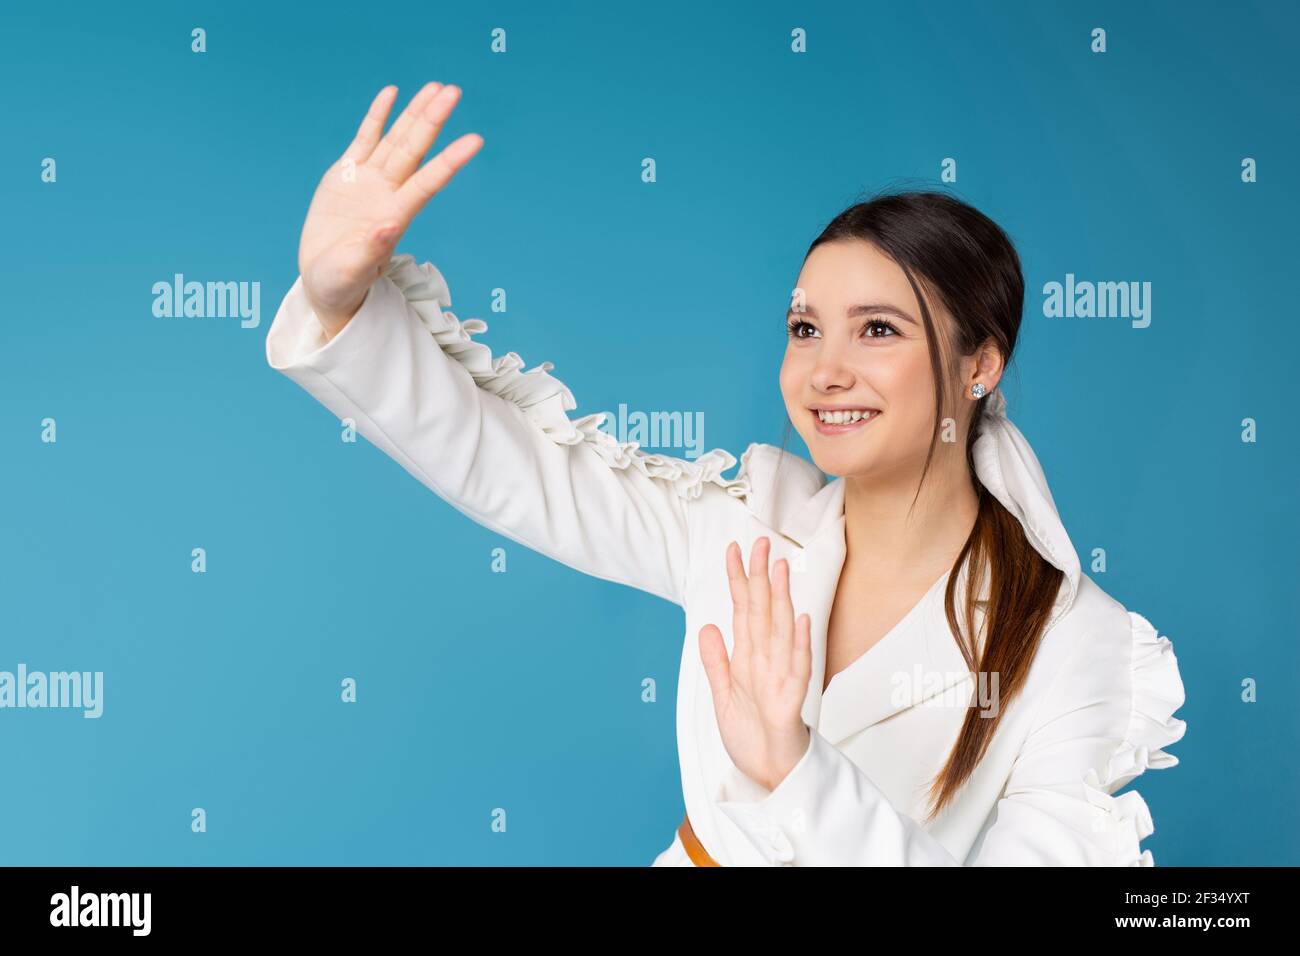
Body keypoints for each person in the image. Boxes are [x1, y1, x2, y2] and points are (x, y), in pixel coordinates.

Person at [265, 82, 1188, 866]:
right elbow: (507, 461)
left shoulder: (1079, 645)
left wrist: (798, 775)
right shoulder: (742, 526)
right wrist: (340, 301)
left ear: (980, 364)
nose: (824, 370)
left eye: (878, 329)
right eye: (803, 328)